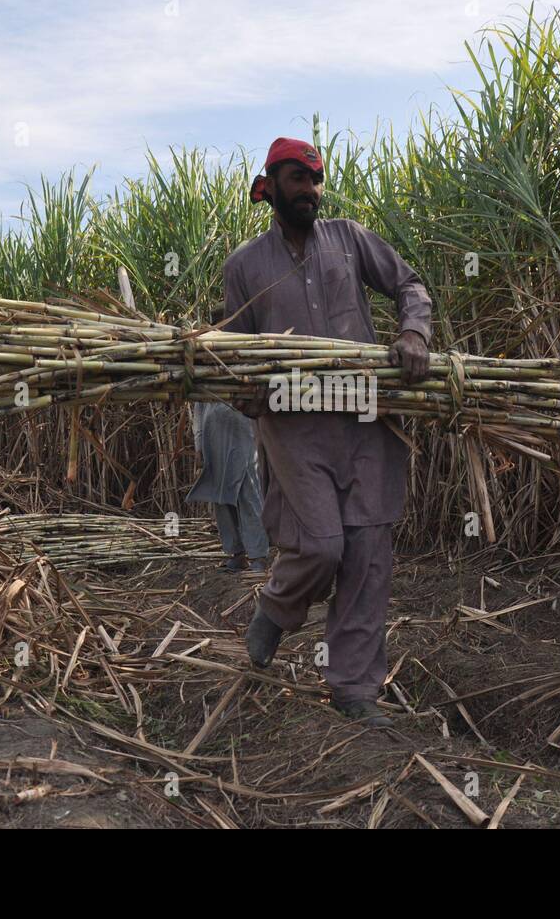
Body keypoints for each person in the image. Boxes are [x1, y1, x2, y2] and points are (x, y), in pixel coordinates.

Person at [222, 137, 432, 729]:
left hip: (366, 421)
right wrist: (246, 392)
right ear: (271, 186)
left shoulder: (350, 239)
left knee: (366, 556)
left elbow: (410, 286)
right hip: (294, 428)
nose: (310, 190)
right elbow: (229, 355)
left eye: (316, 180)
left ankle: (354, 690)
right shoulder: (244, 266)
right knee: (321, 546)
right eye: (298, 179)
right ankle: (276, 608)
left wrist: (413, 334)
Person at [186, 399, 269, 573]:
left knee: (249, 493)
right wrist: (199, 444)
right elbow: (199, 410)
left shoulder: (244, 380)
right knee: (221, 497)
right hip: (213, 438)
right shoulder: (202, 382)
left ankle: (258, 556)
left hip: (243, 435)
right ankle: (237, 554)